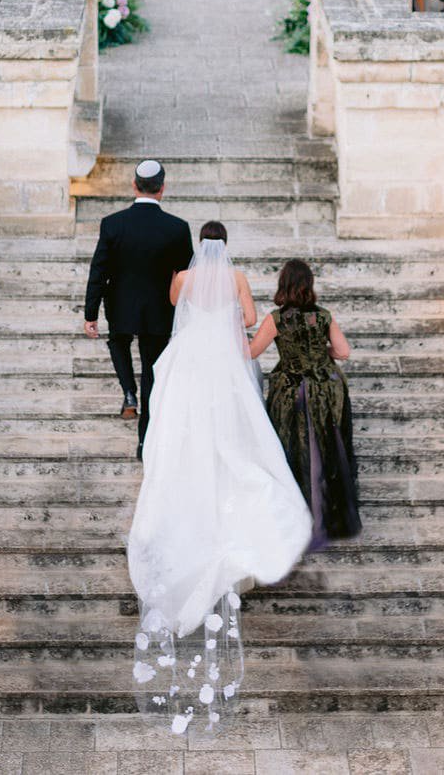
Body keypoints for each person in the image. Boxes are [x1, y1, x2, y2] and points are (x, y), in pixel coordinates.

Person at [127, 223, 312, 730]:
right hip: (223, 360)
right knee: (233, 432)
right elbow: (250, 319)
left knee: (182, 424)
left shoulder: (181, 277)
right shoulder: (237, 278)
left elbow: (176, 312)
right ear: (225, 247)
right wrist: (233, 316)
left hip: (189, 357)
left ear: (197, 247)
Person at [84, 159, 194, 453]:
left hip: (120, 304)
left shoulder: (113, 224)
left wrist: (90, 314)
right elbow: (185, 276)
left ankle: (128, 392)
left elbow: (99, 271)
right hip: (159, 309)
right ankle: (144, 440)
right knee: (151, 369)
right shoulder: (177, 228)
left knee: (118, 341)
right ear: (162, 189)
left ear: (134, 185)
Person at [251, 258, 360, 545]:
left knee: (293, 451)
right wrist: (322, 352)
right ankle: (328, 517)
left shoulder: (276, 319)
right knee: (325, 451)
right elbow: (344, 351)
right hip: (326, 391)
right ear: (309, 284)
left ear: (283, 285)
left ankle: (294, 517)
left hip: (292, 392)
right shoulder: (323, 315)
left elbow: (251, 352)